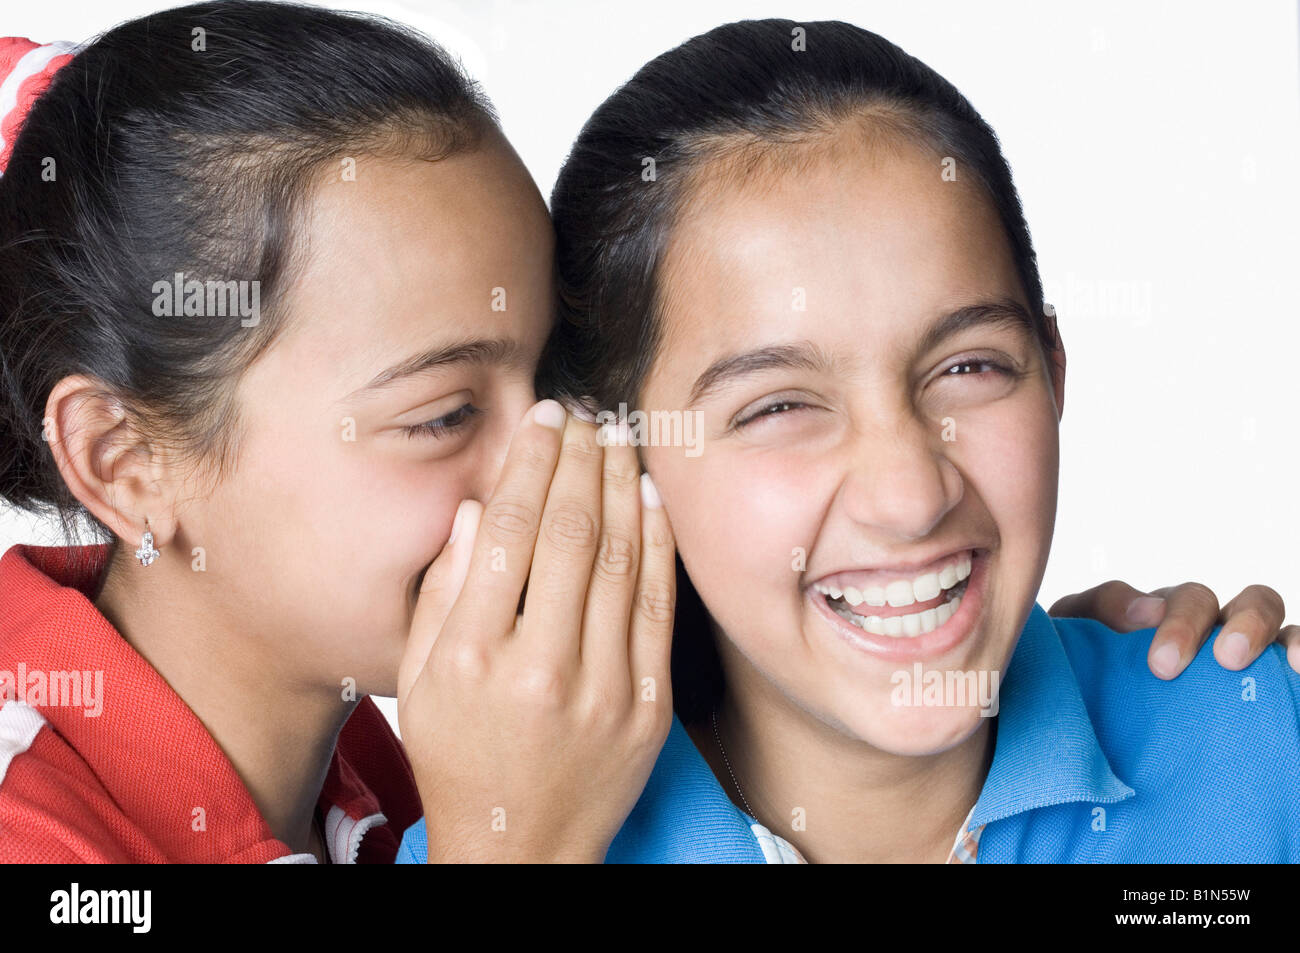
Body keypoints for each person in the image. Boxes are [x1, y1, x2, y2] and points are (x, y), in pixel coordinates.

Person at [0, 4, 1290, 864]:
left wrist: (1164, 688)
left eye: (557, 381)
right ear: (123, 461)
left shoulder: (391, 771)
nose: (572, 457)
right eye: (445, 412)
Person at [401, 18, 1300, 863]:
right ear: (616, 455)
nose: (911, 495)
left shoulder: (1267, 741)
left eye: (971, 367)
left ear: (1055, 368)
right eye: (779, 407)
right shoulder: (488, 844)